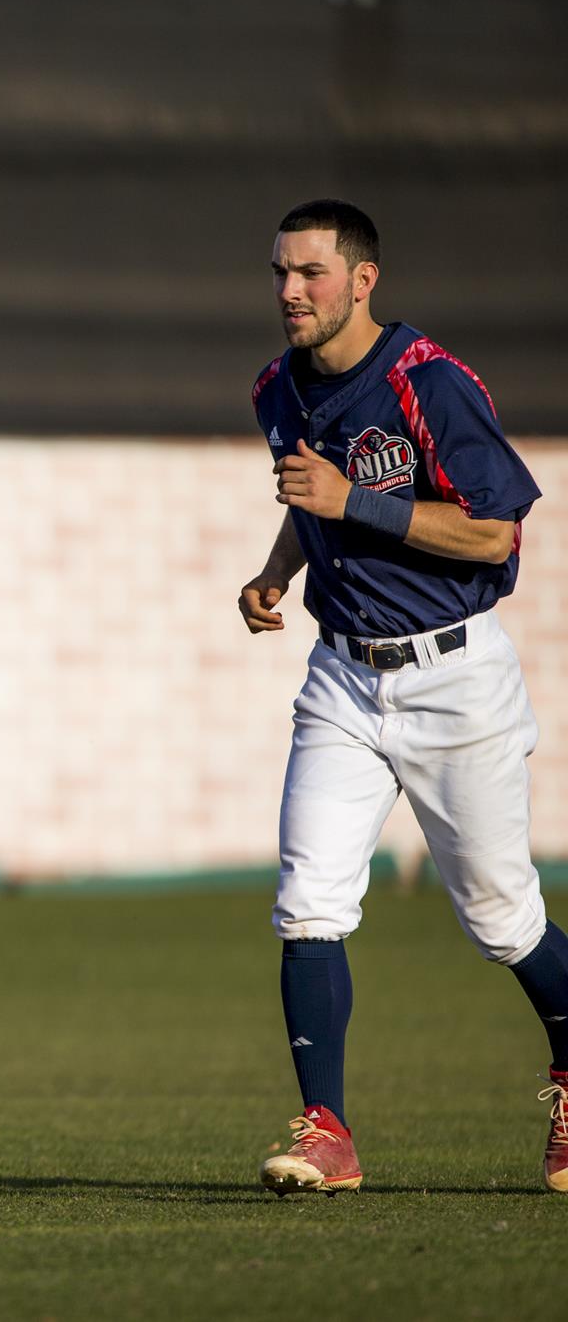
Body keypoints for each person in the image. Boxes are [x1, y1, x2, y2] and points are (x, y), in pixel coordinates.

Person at [241, 200, 568, 1196]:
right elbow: (310, 497)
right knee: (306, 901)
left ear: (362, 279)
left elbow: (493, 535)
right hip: (341, 674)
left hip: (452, 676)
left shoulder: (428, 382)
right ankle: (325, 1130)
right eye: (278, 273)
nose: (290, 292)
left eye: (309, 273)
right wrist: (275, 571)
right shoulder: (276, 387)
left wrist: (357, 503)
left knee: (500, 917)